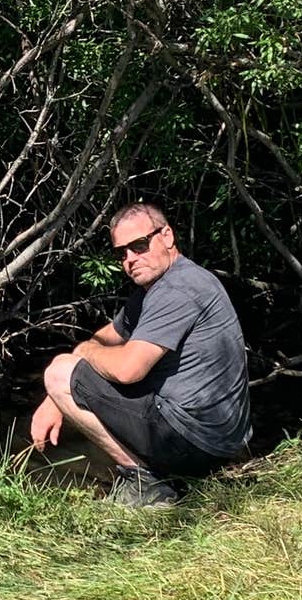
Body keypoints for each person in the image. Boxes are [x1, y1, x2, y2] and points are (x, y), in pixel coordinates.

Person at [29, 203, 251, 507]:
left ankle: (145, 483)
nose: (131, 259)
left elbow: (127, 370)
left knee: (59, 371)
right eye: (122, 253)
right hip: (216, 440)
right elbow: (107, 336)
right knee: (74, 368)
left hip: (197, 443)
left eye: (139, 246)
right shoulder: (159, 288)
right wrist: (55, 399)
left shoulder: (178, 289)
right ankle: (160, 476)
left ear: (167, 236)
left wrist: (74, 366)